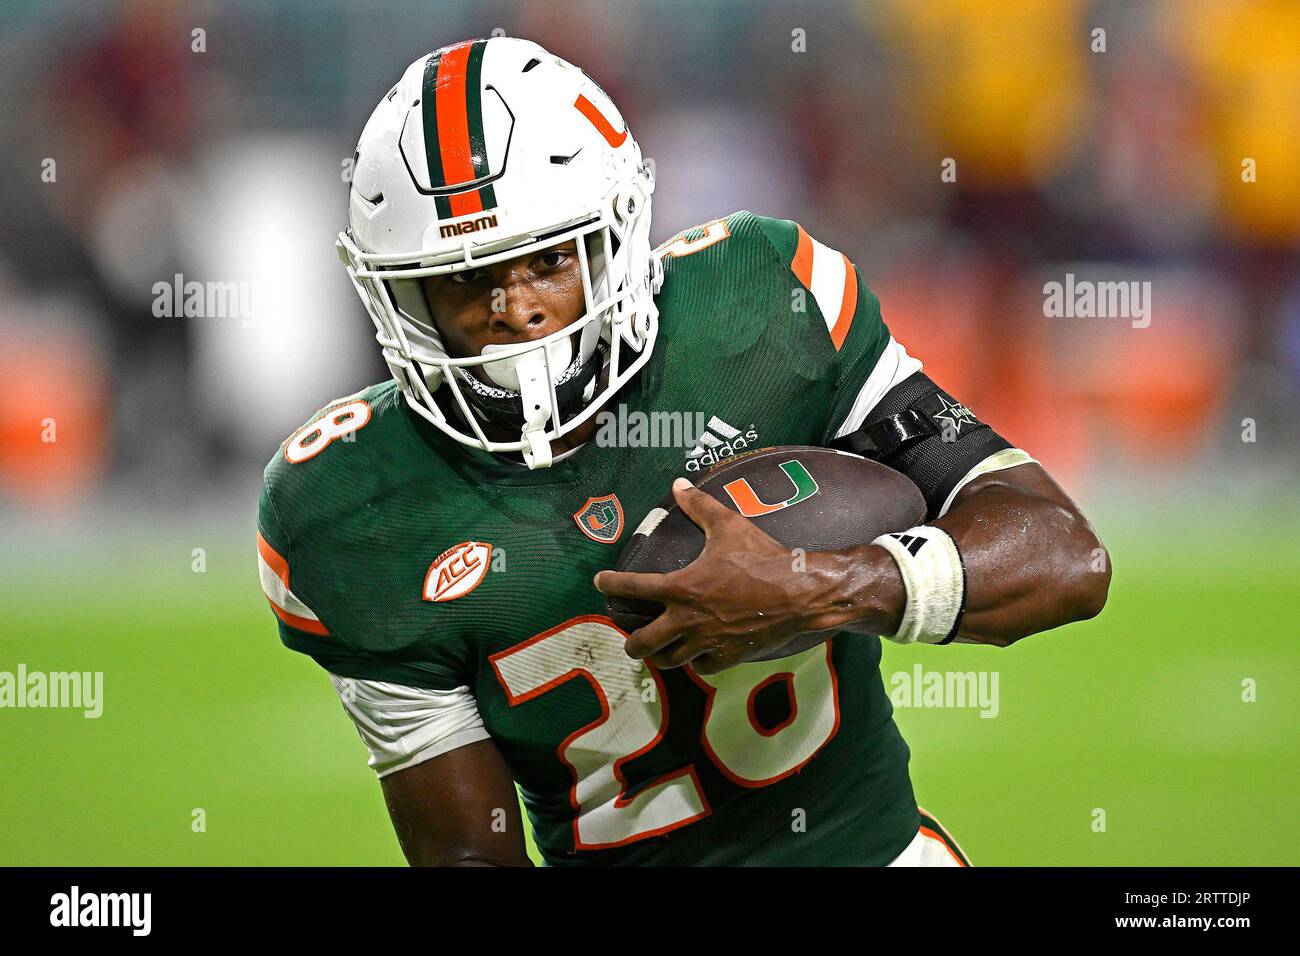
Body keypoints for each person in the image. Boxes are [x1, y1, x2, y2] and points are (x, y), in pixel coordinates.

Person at [257, 36, 1109, 866]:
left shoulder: (761, 306)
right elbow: (466, 852)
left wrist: (826, 587)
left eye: (548, 261)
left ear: (616, 238)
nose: (516, 310)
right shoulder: (347, 508)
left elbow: (1065, 556)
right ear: (399, 296)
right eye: (464, 279)